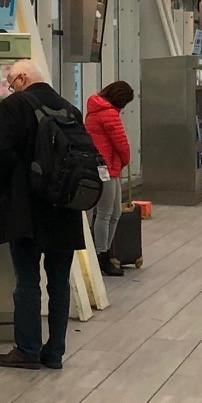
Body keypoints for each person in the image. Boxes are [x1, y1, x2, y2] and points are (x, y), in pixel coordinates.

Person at [0, 59, 86, 371]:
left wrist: (7, 190)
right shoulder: (71, 109)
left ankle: (27, 349)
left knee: (27, 280)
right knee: (58, 282)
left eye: (10, 81)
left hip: (27, 209)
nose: (10, 86)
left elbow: (1, 153)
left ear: (21, 78)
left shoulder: (14, 106)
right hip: (66, 209)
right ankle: (55, 351)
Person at [85, 81, 134, 278]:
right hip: (105, 168)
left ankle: (103, 252)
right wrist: (125, 161)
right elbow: (121, 144)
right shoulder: (108, 114)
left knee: (112, 213)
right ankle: (102, 255)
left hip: (106, 167)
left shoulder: (95, 109)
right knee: (107, 214)